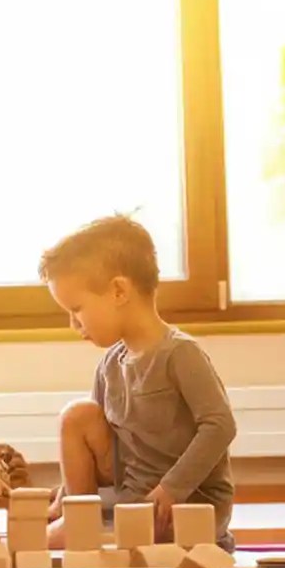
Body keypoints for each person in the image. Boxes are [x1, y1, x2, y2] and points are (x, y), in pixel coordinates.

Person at [39, 215, 236, 551]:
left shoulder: (180, 354)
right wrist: (65, 495)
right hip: (132, 501)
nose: (73, 324)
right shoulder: (109, 365)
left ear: (118, 291)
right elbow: (94, 448)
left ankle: (92, 536)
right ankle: (80, 519)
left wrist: (172, 488)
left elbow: (220, 426)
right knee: (78, 415)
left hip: (185, 506)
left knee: (64, 544)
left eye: (77, 309)